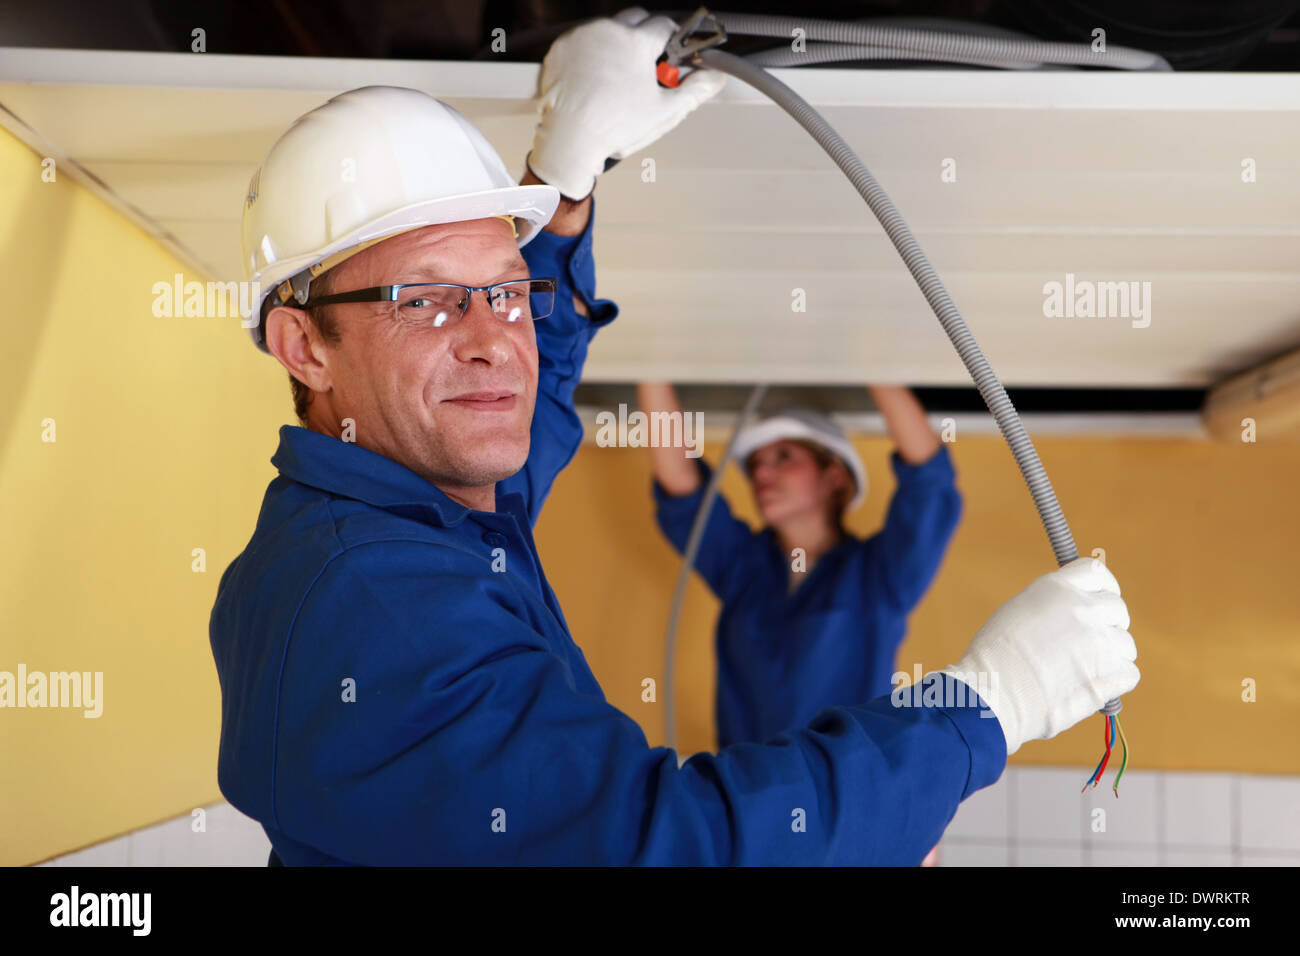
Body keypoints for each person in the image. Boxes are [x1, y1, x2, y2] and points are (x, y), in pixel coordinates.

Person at [209, 11, 1139, 866]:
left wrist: (561, 179)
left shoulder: (426, 505)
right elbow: (678, 851)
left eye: (506, 291)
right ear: (305, 346)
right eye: (424, 301)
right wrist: (992, 706)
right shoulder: (378, 600)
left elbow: (525, 390)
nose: (496, 342)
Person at [638, 384, 961, 753]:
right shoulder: (744, 569)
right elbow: (683, 491)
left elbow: (929, 482)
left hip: (841, 800)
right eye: (756, 463)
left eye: (783, 456)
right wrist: (652, 373)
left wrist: (878, 373)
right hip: (745, 800)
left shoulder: (876, 577)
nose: (761, 473)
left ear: (835, 476)